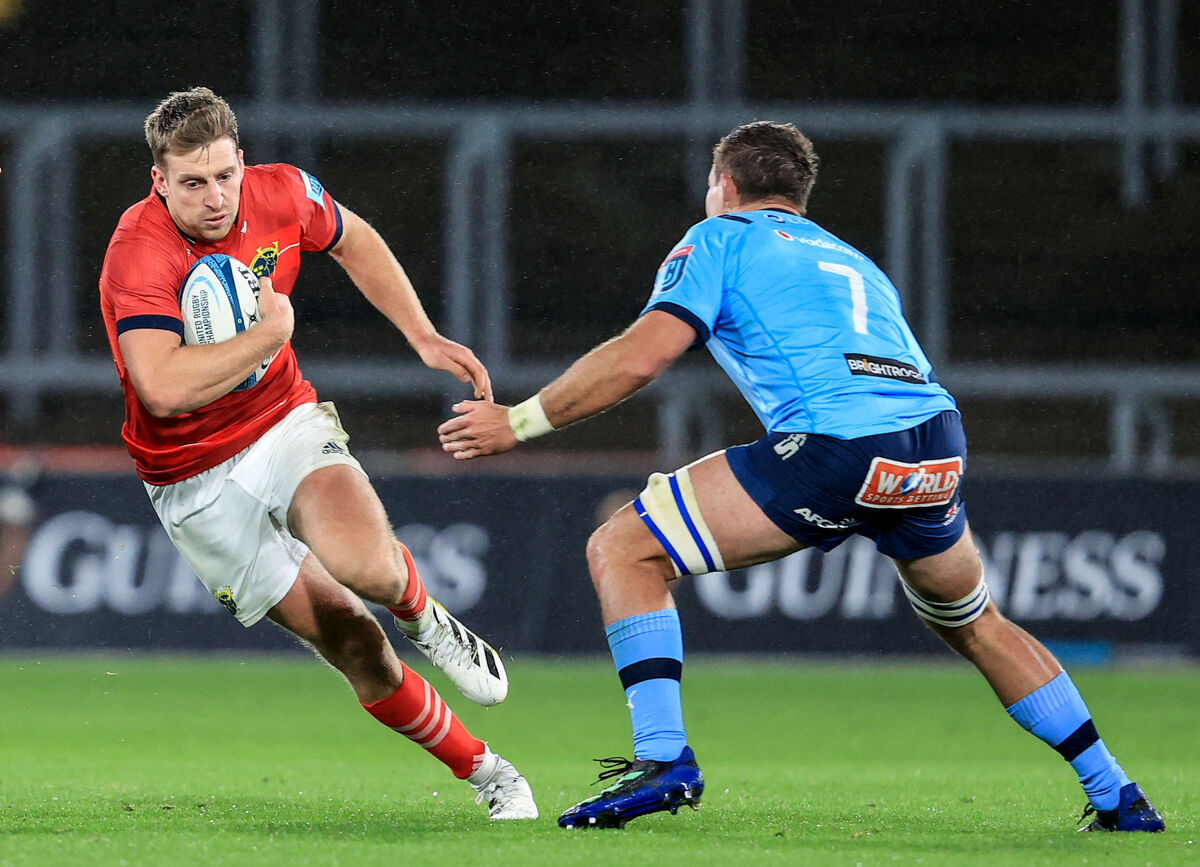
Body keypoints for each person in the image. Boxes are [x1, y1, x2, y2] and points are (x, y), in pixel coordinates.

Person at [437, 121, 1164, 832]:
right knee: (976, 622)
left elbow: (642, 355)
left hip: (838, 442)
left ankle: (662, 761)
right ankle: (1116, 792)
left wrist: (520, 421)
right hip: (935, 445)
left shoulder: (719, 236)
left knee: (624, 549)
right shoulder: (852, 259)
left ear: (722, 186)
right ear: (799, 194)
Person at [98, 87, 537, 821]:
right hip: (190, 478)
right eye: (193, 183)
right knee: (353, 641)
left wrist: (422, 333)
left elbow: (354, 238)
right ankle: (491, 771)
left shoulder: (284, 191)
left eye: (225, 175)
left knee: (366, 564)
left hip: (281, 421)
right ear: (159, 181)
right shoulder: (138, 250)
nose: (215, 197)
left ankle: (428, 620)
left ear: (244, 160)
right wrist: (270, 336)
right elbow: (163, 387)